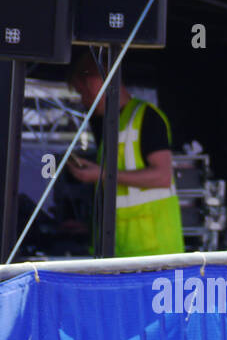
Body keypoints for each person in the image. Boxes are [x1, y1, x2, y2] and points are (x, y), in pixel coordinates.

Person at [66, 50, 184, 258]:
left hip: (153, 254)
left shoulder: (146, 117)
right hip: (122, 252)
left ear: (96, 83)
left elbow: (162, 177)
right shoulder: (109, 123)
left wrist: (102, 174)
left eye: (82, 92)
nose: (83, 101)